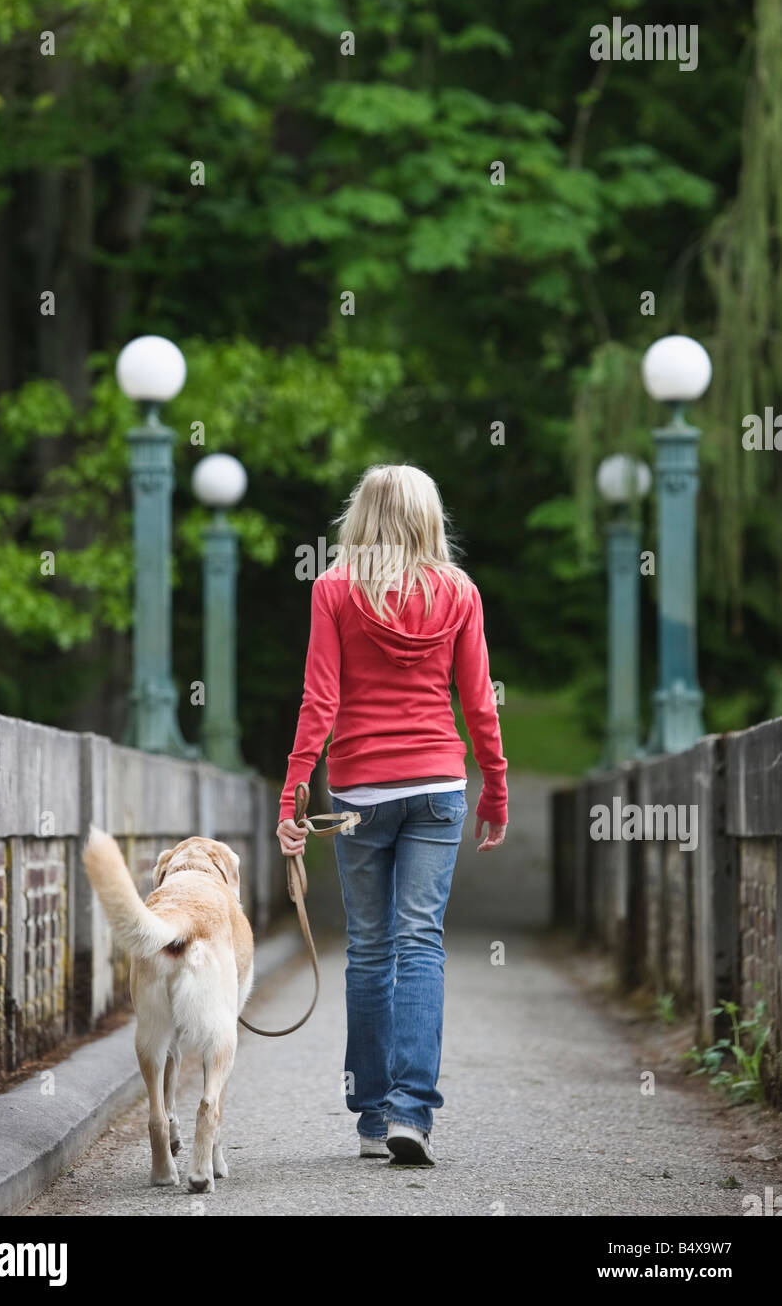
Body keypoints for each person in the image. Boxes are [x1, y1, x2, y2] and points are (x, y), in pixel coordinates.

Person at [276, 463, 507, 1166]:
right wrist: (494, 785)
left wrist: (293, 796)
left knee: (371, 950)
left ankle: (373, 1113)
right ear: (428, 519)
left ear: (361, 517)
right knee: (421, 944)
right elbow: (478, 702)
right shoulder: (459, 591)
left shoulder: (335, 589)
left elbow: (320, 701)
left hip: (360, 796)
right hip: (438, 785)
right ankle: (414, 1111)